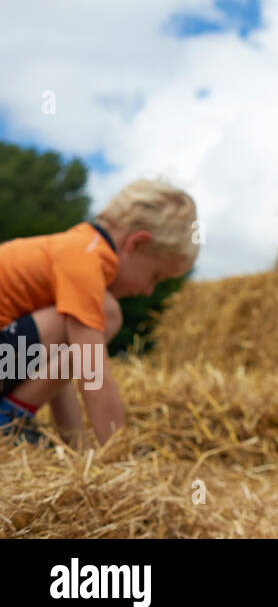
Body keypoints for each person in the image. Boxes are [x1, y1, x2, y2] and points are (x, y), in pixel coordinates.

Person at [0, 180, 199, 446]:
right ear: (136, 243)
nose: (149, 290)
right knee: (108, 312)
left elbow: (57, 374)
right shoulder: (85, 260)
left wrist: (80, 452)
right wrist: (119, 455)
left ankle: (13, 417)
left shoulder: (75, 247)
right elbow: (93, 375)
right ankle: (8, 420)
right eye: (155, 276)